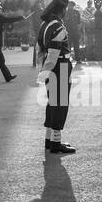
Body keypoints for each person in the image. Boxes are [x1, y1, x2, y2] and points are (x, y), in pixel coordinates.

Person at [38, 10, 76, 154]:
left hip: (50, 66)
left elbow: (39, 49)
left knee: (52, 103)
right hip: (60, 66)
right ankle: (56, 143)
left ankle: (49, 140)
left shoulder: (44, 25)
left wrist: (42, 70)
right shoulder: (58, 27)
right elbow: (54, 53)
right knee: (60, 104)